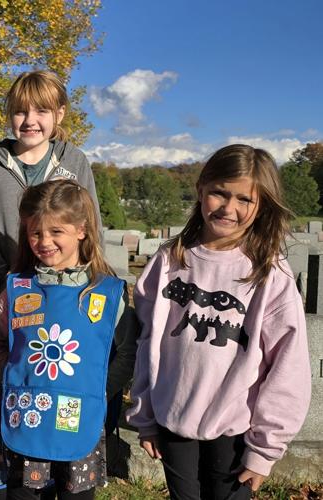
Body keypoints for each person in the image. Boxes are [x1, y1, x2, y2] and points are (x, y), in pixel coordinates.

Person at [127, 144, 311, 499]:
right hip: (173, 421)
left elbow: (288, 367)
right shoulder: (168, 262)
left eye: (245, 199)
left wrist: (265, 448)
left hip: (234, 431)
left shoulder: (270, 275)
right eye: (219, 193)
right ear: (201, 190)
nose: (229, 208)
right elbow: (146, 344)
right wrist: (144, 415)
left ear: (262, 206)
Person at [0, 179, 137, 500]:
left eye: (56, 232)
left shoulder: (107, 293)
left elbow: (125, 355)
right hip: (27, 417)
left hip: (80, 420)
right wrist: (16, 376)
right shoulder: (17, 289)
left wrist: (96, 390)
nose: (44, 241)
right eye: (36, 232)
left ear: (81, 230)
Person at [0, 70, 100, 305]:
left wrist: (88, 281)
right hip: (3, 292)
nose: (29, 121)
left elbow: (91, 227)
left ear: (59, 114)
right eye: (20, 111)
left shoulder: (74, 160)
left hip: (65, 293)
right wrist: (5, 277)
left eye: (41, 111)